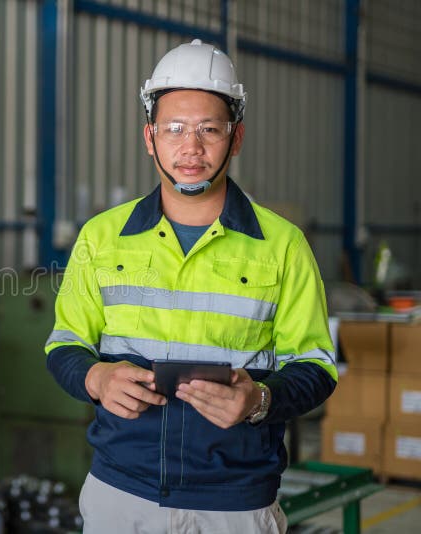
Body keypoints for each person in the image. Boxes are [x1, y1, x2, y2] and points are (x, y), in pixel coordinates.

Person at [45, 39, 337, 533]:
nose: (191, 148)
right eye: (174, 129)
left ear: (236, 138)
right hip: (121, 494)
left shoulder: (283, 245)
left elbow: (316, 366)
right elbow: (64, 344)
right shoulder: (101, 237)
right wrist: (97, 378)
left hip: (235, 502)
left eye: (209, 129)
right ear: (150, 137)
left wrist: (259, 400)